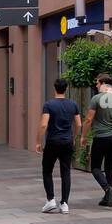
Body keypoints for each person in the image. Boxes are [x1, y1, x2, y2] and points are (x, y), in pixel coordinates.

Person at [35, 77, 81, 214]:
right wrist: (74, 137)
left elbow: (43, 124)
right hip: (67, 142)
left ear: (54, 88)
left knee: (47, 170)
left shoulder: (49, 105)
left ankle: (50, 199)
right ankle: (65, 203)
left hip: (53, 142)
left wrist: (38, 141)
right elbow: (79, 124)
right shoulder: (73, 105)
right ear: (66, 89)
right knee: (65, 172)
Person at [83, 72, 112, 208]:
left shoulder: (96, 99)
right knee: (109, 167)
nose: (96, 85)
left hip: (101, 137)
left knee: (95, 167)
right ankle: (108, 198)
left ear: (103, 83)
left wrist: (84, 136)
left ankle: (108, 189)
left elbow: (89, 119)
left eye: (97, 82)